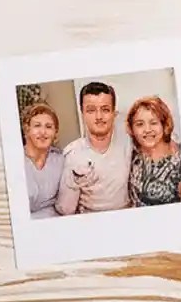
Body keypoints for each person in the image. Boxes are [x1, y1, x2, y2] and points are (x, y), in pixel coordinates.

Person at [55, 81, 132, 215]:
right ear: (82, 113)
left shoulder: (129, 145)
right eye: (91, 110)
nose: (99, 117)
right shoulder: (73, 153)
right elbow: (66, 210)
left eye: (105, 109)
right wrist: (73, 183)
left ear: (114, 113)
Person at [126, 96, 181, 207]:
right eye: (140, 124)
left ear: (164, 125)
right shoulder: (132, 154)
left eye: (153, 123)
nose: (147, 130)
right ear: (132, 129)